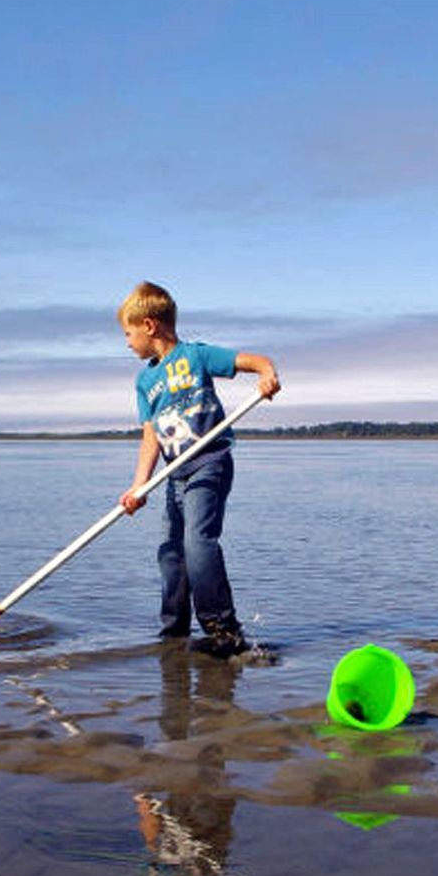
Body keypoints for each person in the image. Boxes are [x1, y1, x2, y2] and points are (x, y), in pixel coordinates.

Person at [117, 281, 281, 658]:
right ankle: (174, 633)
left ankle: (223, 628)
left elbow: (254, 361)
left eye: (128, 333)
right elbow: (151, 438)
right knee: (170, 553)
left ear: (149, 325)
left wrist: (267, 375)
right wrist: (138, 486)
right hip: (175, 475)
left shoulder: (196, 356)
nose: (127, 342)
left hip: (209, 463)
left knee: (197, 543)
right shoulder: (145, 381)